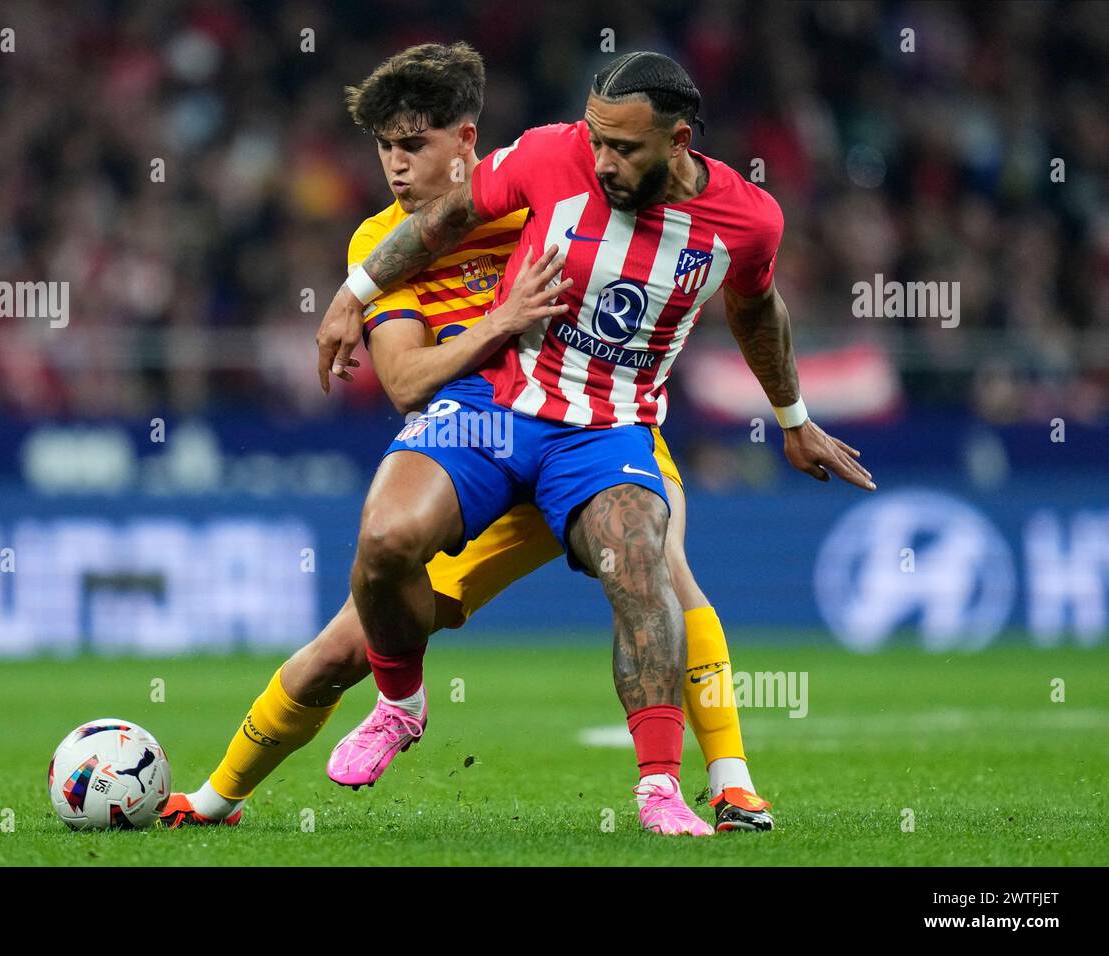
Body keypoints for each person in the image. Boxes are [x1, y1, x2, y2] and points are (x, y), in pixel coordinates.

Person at [163, 44, 777, 835]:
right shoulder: (381, 243)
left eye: (413, 145)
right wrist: (478, 316)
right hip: (481, 435)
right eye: (384, 148)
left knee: (659, 571)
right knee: (344, 645)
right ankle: (217, 799)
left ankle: (724, 784)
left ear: (466, 140)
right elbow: (408, 385)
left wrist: (781, 407)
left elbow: (685, 251)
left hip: (597, 424)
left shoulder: (540, 190)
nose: (395, 166)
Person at [315, 49, 876, 836]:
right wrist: (355, 292)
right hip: (500, 405)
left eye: (624, 148)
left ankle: (661, 792)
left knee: (643, 564)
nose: (602, 159)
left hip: (608, 428)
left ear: (679, 141)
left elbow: (757, 311)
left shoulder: (749, 221)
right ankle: (401, 706)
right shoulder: (551, 153)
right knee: (385, 538)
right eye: (597, 139)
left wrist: (792, 418)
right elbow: (445, 218)